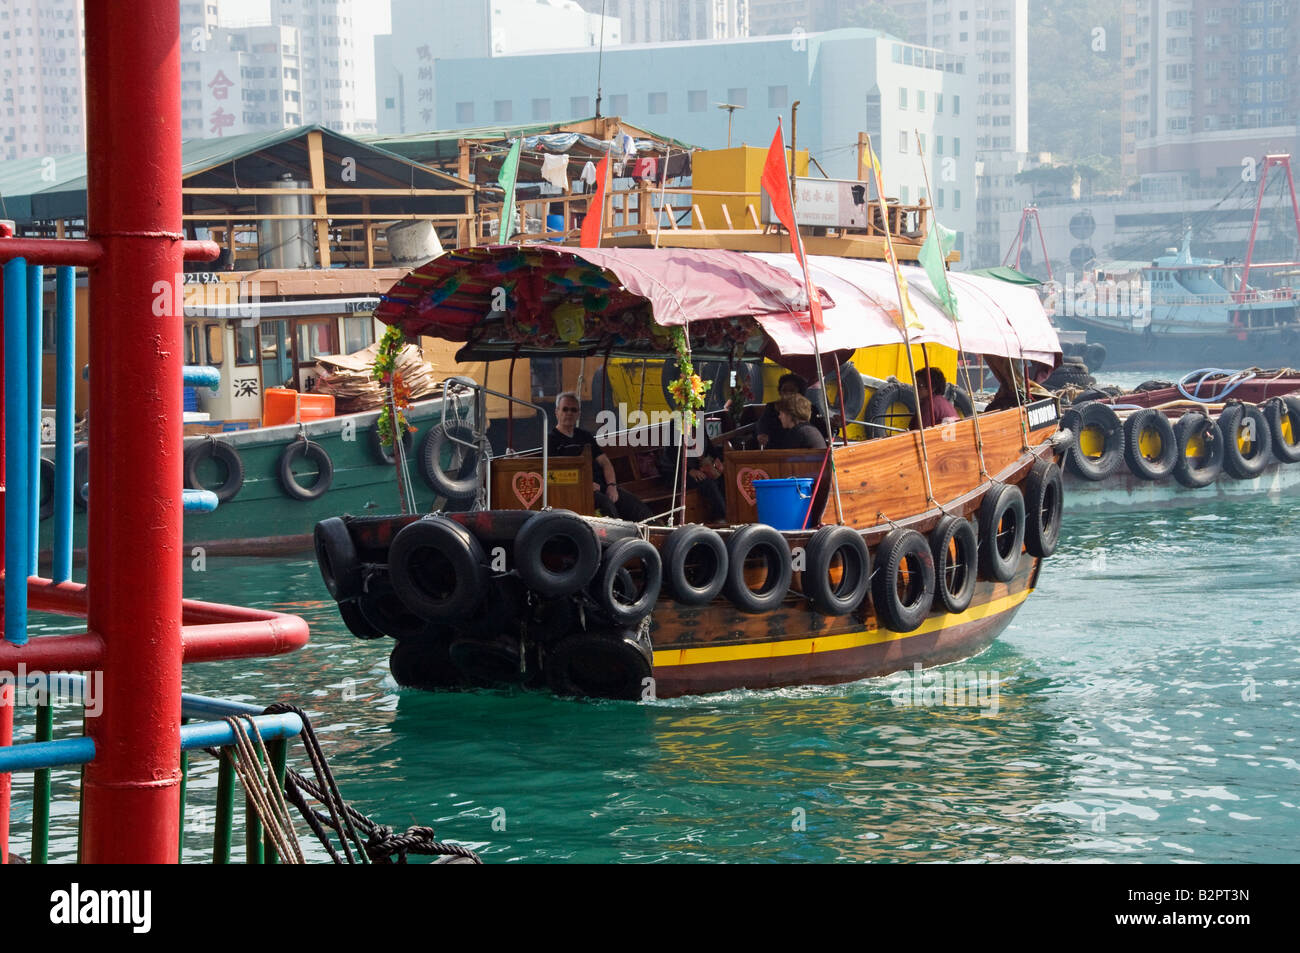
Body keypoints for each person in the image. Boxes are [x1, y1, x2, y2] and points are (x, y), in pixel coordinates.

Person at [547, 391, 652, 522]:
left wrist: (611, 486)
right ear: (557, 412)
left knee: (635, 506)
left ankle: (654, 530)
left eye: (573, 410)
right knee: (607, 505)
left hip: (602, 486)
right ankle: (620, 537)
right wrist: (584, 485)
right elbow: (553, 475)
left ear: (578, 414)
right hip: (578, 490)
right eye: (565, 409)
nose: (569, 413)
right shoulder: (551, 440)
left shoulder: (585, 436)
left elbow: (605, 462)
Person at [756, 373, 828, 447]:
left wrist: (833, 425)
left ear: (799, 394)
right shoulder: (772, 407)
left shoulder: (801, 428)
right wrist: (762, 433)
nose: (787, 394)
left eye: (791, 390)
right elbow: (762, 423)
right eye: (784, 390)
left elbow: (823, 430)